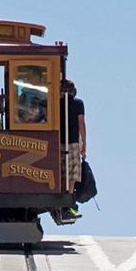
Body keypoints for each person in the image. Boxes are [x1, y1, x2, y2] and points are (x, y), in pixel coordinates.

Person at [59, 78, 86, 221]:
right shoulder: (78, 103)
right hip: (73, 143)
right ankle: (68, 204)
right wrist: (84, 145)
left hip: (57, 143)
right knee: (72, 176)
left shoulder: (56, 103)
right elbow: (81, 124)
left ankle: (63, 203)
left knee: (61, 174)